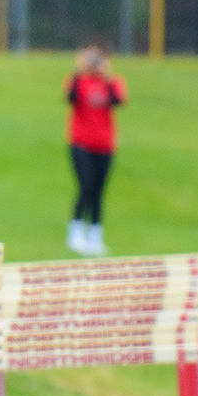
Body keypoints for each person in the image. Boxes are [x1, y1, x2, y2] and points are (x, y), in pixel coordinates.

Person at [63, 39, 126, 256]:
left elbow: (118, 100)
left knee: (99, 191)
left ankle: (95, 237)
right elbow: (70, 97)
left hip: (105, 145)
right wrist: (81, 70)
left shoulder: (112, 82)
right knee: (86, 185)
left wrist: (107, 75)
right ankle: (76, 230)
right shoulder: (78, 81)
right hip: (81, 143)